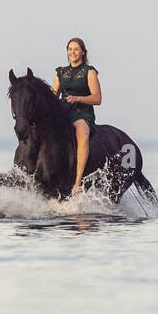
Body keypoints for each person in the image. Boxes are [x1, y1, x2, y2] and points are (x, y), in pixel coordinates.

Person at [51, 38, 101, 196]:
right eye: (70, 49)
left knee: (82, 131)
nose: (73, 52)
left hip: (82, 113)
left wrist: (77, 98)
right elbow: (54, 95)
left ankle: (77, 182)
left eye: (76, 49)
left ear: (83, 52)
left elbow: (97, 98)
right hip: (63, 111)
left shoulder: (89, 72)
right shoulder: (60, 72)